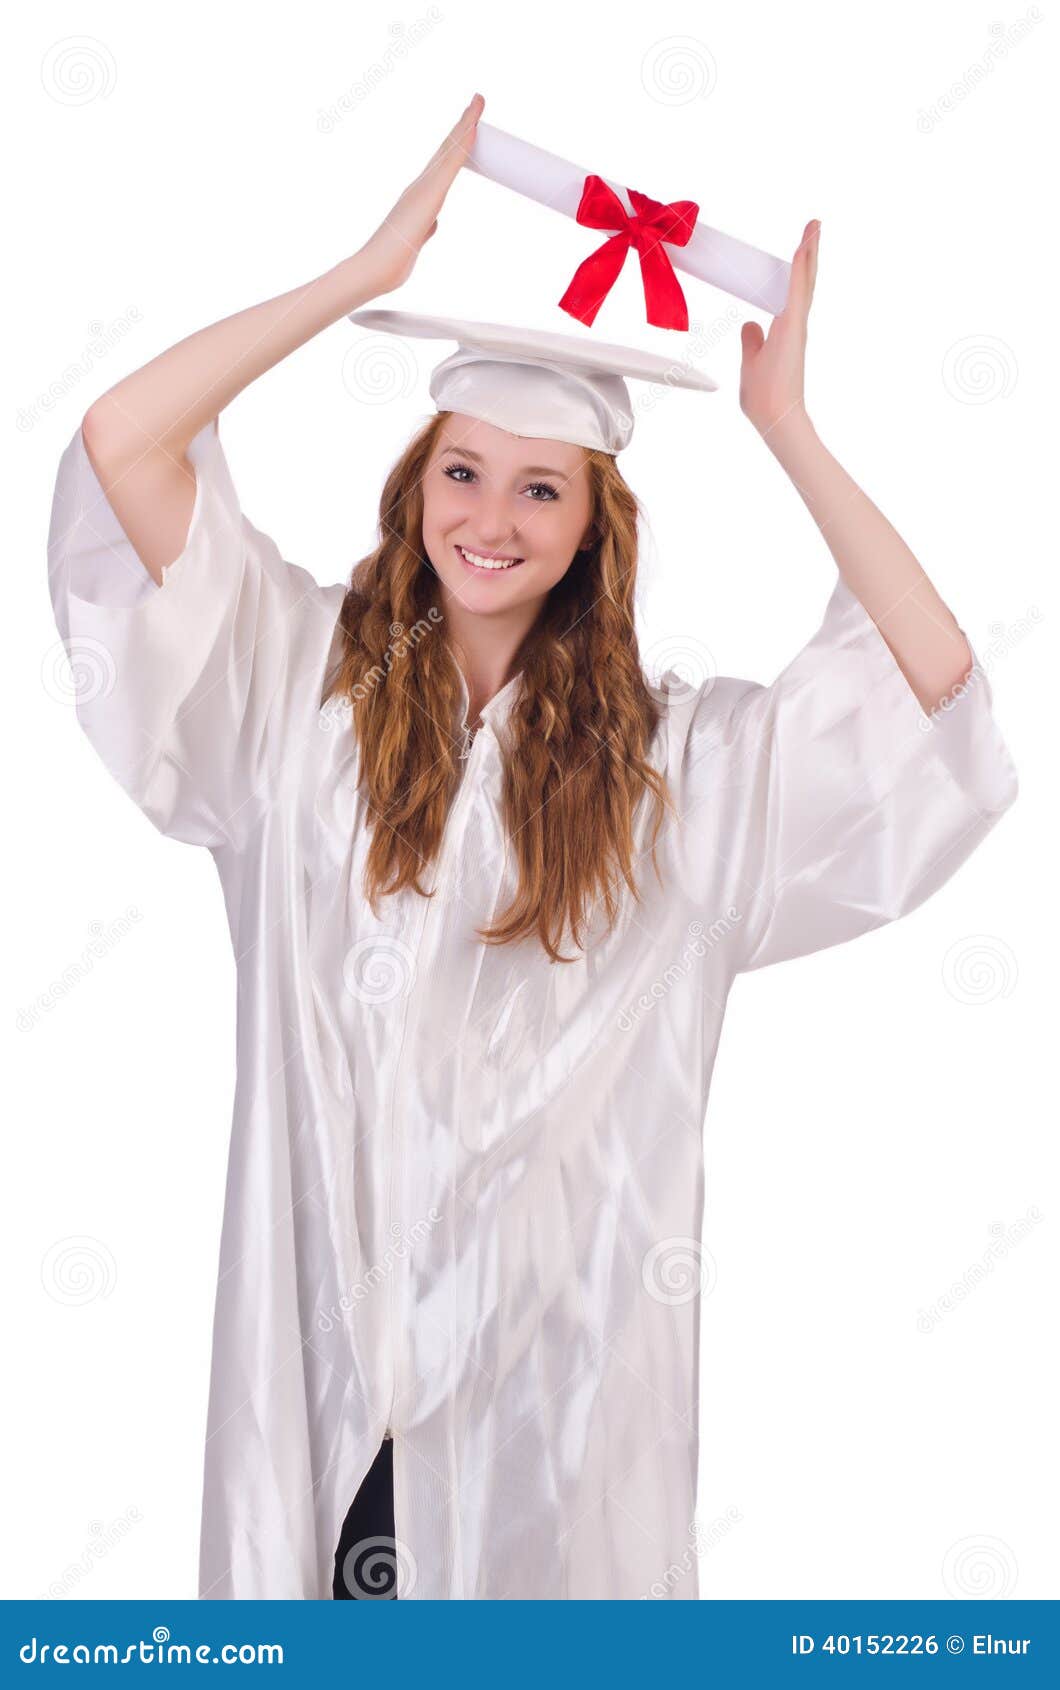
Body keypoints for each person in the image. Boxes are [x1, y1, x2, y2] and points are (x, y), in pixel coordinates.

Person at [45, 93, 1018, 1600]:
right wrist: (361, 274)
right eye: (462, 469)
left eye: (540, 486)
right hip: (330, 1378)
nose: (489, 517)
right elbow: (122, 441)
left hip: (546, 1426)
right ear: (416, 481)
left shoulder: (675, 776)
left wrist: (790, 430)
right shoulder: (295, 701)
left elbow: (937, 692)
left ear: (590, 534)